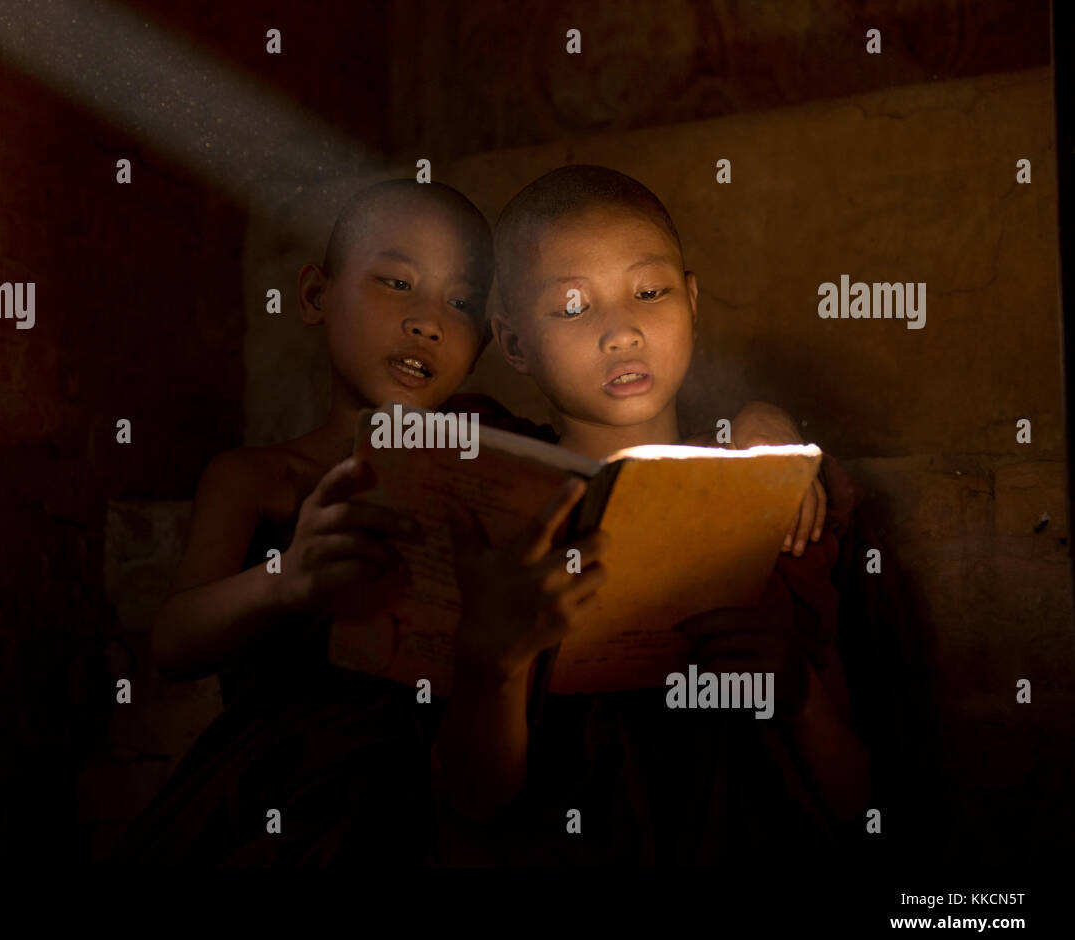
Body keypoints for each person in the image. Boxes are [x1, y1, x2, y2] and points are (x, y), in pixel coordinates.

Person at [115, 176, 820, 866]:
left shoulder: (483, 448)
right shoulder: (259, 477)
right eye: (396, 282)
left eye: (460, 303)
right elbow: (174, 644)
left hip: (444, 757)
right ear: (313, 293)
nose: (428, 321)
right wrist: (283, 579)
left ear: (487, 342)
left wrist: (762, 424)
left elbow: (602, 462)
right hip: (294, 775)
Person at [435, 165, 872, 866]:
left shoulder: (768, 493)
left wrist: (796, 693)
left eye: (649, 291)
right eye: (574, 306)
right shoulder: (498, 502)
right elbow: (472, 801)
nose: (622, 330)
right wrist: (495, 664)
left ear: (692, 299)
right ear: (513, 343)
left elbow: (858, 800)